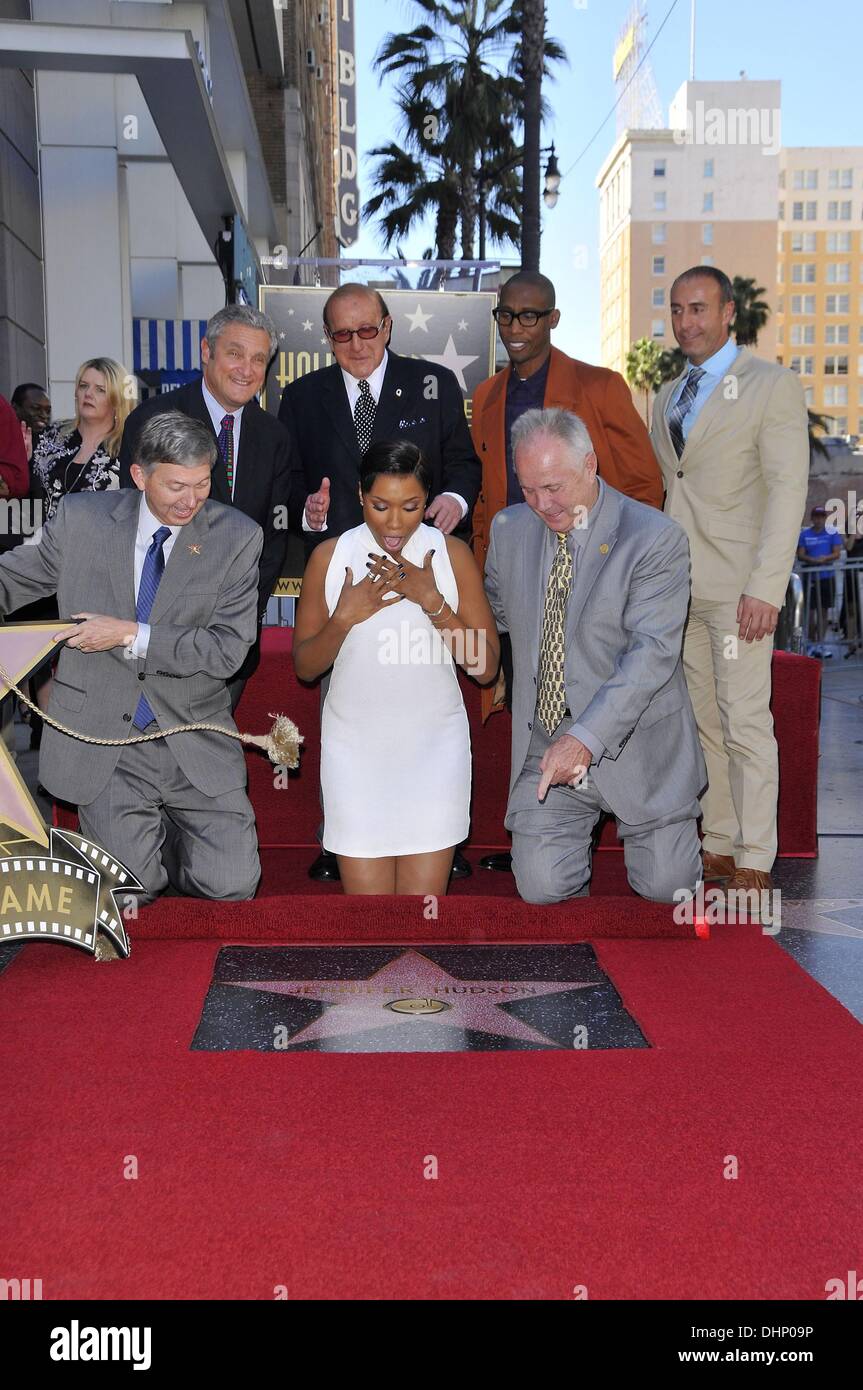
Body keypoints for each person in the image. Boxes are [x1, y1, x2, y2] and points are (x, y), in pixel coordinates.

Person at [0, 412, 263, 903]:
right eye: (177, 486)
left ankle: (167, 849)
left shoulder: (237, 536)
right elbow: (10, 580)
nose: (192, 500)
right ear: (140, 476)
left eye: (203, 483)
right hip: (105, 738)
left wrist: (131, 634)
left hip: (193, 734)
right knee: (128, 893)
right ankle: (140, 857)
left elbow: (227, 650)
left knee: (233, 886)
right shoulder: (81, 519)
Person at [280, 283, 482, 882]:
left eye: (367, 330)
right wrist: (309, 513)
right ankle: (342, 834)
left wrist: (448, 500)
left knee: (430, 686)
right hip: (341, 568)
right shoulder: (301, 396)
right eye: (342, 334)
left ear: (388, 326)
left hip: (423, 562)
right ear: (328, 339)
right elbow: (290, 482)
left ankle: (440, 835)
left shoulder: (432, 383)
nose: (356, 344)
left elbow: (465, 463)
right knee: (345, 695)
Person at [471, 269, 665, 870]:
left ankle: (618, 808)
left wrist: (607, 562)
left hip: (595, 569)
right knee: (528, 696)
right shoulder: (486, 397)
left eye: (530, 315)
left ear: (553, 319)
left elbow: (644, 485)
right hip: (518, 571)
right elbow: (486, 498)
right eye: (506, 315)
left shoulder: (601, 387)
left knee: (593, 684)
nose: (516, 328)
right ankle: (534, 821)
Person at [484, 407, 705, 905]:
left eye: (554, 487)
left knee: (669, 890)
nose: (542, 503)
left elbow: (651, 655)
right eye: (528, 489)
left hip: (640, 743)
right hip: (548, 741)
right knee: (542, 890)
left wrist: (584, 739)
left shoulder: (654, 537)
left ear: (590, 465)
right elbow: (494, 612)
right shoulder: (508, 530)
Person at [651, 265, 809, 895]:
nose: (686, 322)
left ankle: (756, 856)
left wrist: (766, 588)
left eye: (698, 309)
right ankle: (717, 840)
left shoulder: (770, 386)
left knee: (745, 720)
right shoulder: (664, 397)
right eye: (676, 310)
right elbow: (673, 490)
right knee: (701, 722)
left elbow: (786, 490)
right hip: (678, 590)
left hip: (741, 589)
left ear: (727, 315)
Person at [293, 439, 498, 896]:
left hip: (434, 755)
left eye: (411, 507)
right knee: (371, 925)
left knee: (420, 922)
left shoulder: (452, 556)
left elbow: (484, 669)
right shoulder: (330, 558)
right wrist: (344, 617)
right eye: (380, 505)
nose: (394, 522)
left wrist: (431, 601)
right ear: (359, 494)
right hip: (355, 757)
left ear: (427, 502)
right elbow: (306, 667)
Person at [118, 304, 293, 705]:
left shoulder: (275, 437)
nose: (246, 370)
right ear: (206, 351)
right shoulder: (152, 420)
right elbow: (131, 528)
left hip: (230, 644)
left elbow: (273, 539)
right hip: (157, 638)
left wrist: (237, 618)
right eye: (234, 353)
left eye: (258, 359)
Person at [31, 358, 132, 522]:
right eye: (83, 386)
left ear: (116, 399)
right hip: (44, 541)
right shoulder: (49, 436)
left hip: (101, 544)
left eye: (100, 389)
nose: (88, 394)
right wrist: (25, 459)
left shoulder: (128, 447)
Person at [797, 505, 843, 656]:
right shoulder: (805, 534)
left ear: (825, 518)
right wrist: (812, 560)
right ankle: (811, 643)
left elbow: (837, 553)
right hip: (811, 578)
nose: (819, 519)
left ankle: (821, 644)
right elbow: (801, 554)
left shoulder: (831, 532)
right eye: (816, 516)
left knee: (824, 612)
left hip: (826, 577)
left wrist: (825, 558)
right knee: (810, 613)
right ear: (812, 518)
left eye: (822, 516)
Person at [11, 382, 51, 462]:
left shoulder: (53, 442)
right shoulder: (5, 440)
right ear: (15, 408)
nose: (44, 415)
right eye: (36, 409)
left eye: (48, 411)